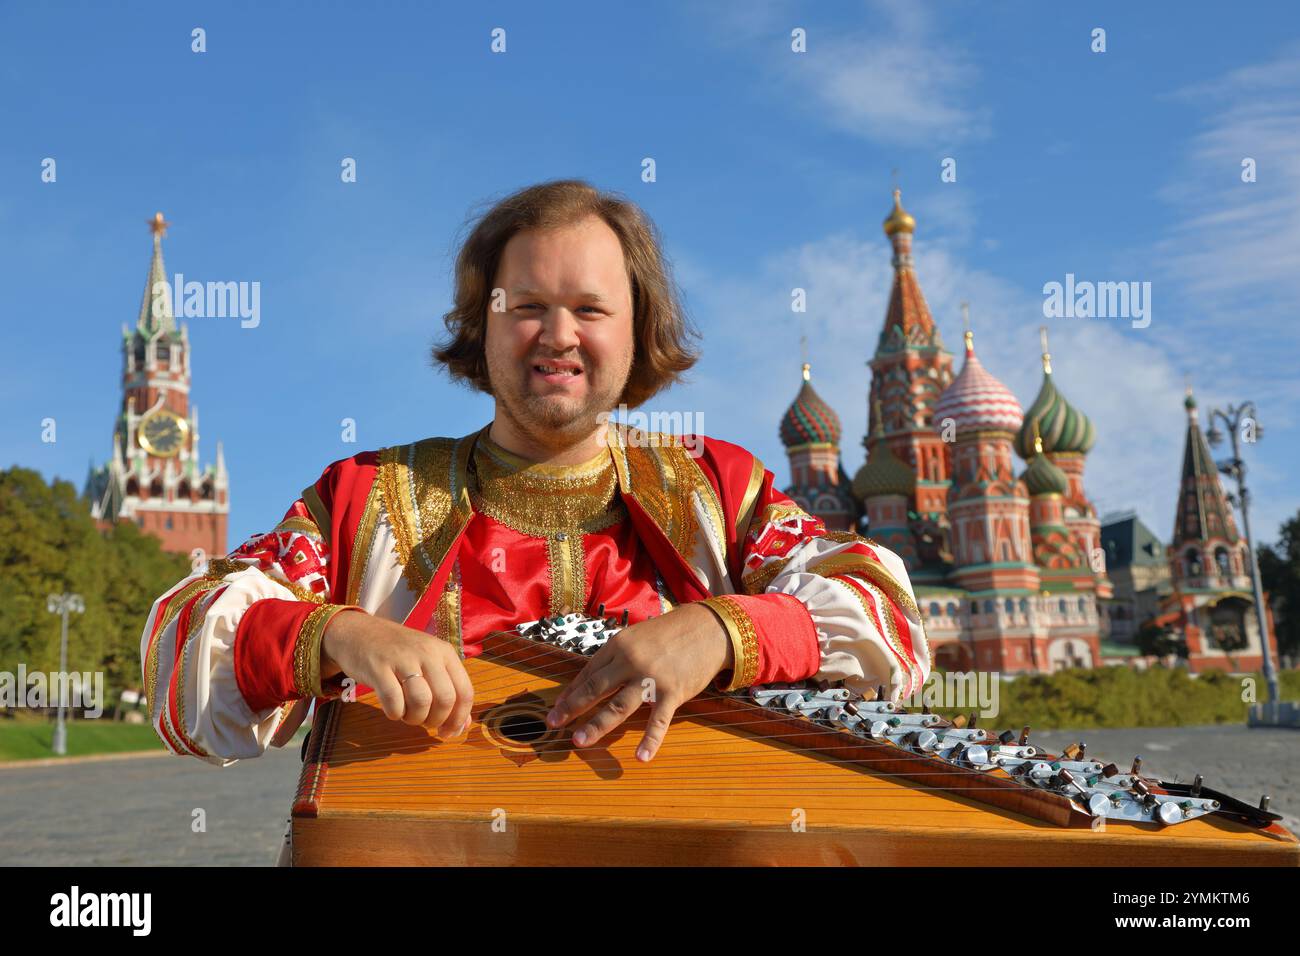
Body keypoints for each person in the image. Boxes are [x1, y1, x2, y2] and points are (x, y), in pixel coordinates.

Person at [140, 179, 930, 767]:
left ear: (637, 329)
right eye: (525, 307)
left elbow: (888, 619)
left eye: (590, 309)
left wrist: (725, 629)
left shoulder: (715, 490)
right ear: (479, 327)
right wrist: (337, 633)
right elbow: (183, 656)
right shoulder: (362, 497)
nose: (558, 336)